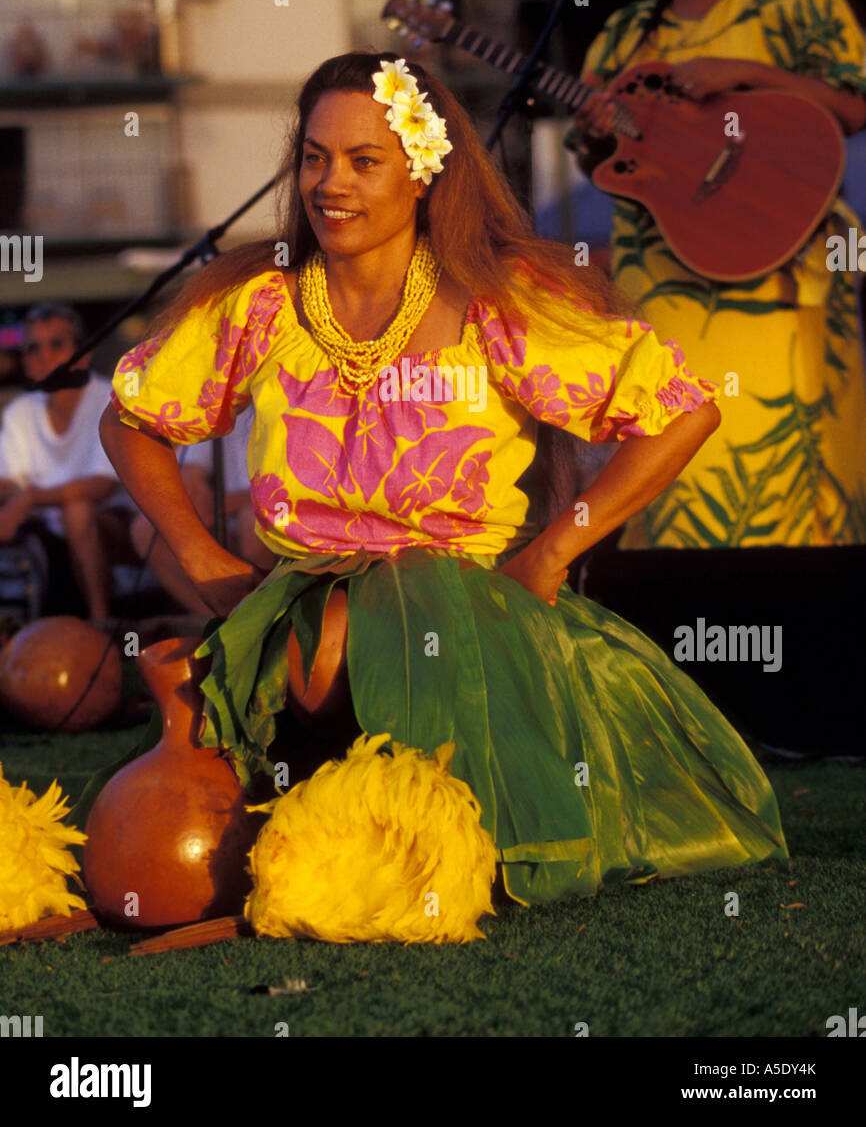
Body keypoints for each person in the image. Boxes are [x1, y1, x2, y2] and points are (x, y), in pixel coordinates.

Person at [83, 51, 788, 906]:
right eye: (314, 157)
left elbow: (684, 409)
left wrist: (549, 556)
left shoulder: (495, 295)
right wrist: (200, 556)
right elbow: (131, 419)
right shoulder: (261, 303)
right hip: (302, 605)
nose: (329, 183)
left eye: (363, 160)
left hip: (466, 617)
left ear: (423, 173)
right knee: (318, 643)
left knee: (345, 643)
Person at [569, 0, 866, 551]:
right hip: (667, 285)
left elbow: (852, 106)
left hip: (783, 272)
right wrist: (593, 139)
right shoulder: (625, 32)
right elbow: (608, 169)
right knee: (678, 472)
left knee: (791, 471)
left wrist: (740, 71)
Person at [0, 303, 136, 620]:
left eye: (57, 344)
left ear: (83, 353)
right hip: (49, 537)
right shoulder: (21, 410)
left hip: (119, 529)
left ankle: (100, 622)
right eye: (33, 348)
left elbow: (101, 487)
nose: (44, 355)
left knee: (77, 512)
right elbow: (7, 480)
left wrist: (30, 497)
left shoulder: (110, 399)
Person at [129, 404, 277, 615]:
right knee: (147, 528)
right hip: (230, 519)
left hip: (282, 517)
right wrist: (191, 492)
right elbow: (192, 469)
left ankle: (265, 617)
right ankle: (216, 620)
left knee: (252, 521)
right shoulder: (224, 399)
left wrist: (235, 502)